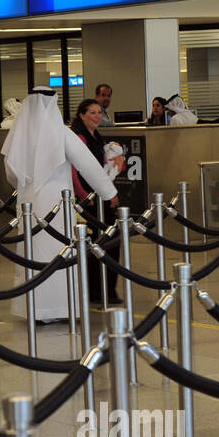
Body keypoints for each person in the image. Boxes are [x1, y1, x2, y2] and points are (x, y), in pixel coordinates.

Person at [2, 89, 118, 322]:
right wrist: (109, 192)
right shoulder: (61, 132)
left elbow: (11, 173)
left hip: (28, 203)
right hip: (57, 203)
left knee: (32, 255)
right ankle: (59, 309)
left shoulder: (20, 133)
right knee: (59, 254)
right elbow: (88, 165)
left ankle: (35, 310)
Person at [70, 97, 127, 306]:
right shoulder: (79, 137)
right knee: (97, 243)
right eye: (92, 112)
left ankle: (106, 288)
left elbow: (106, 164)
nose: (97, 116)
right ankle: (96, 289)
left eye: (99, 112)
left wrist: (119, 160)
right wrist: (82, 194)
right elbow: (73, 168)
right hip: (89, 199)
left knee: (109, 241)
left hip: (99, 195)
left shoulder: (97, 137)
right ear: (82, 115)